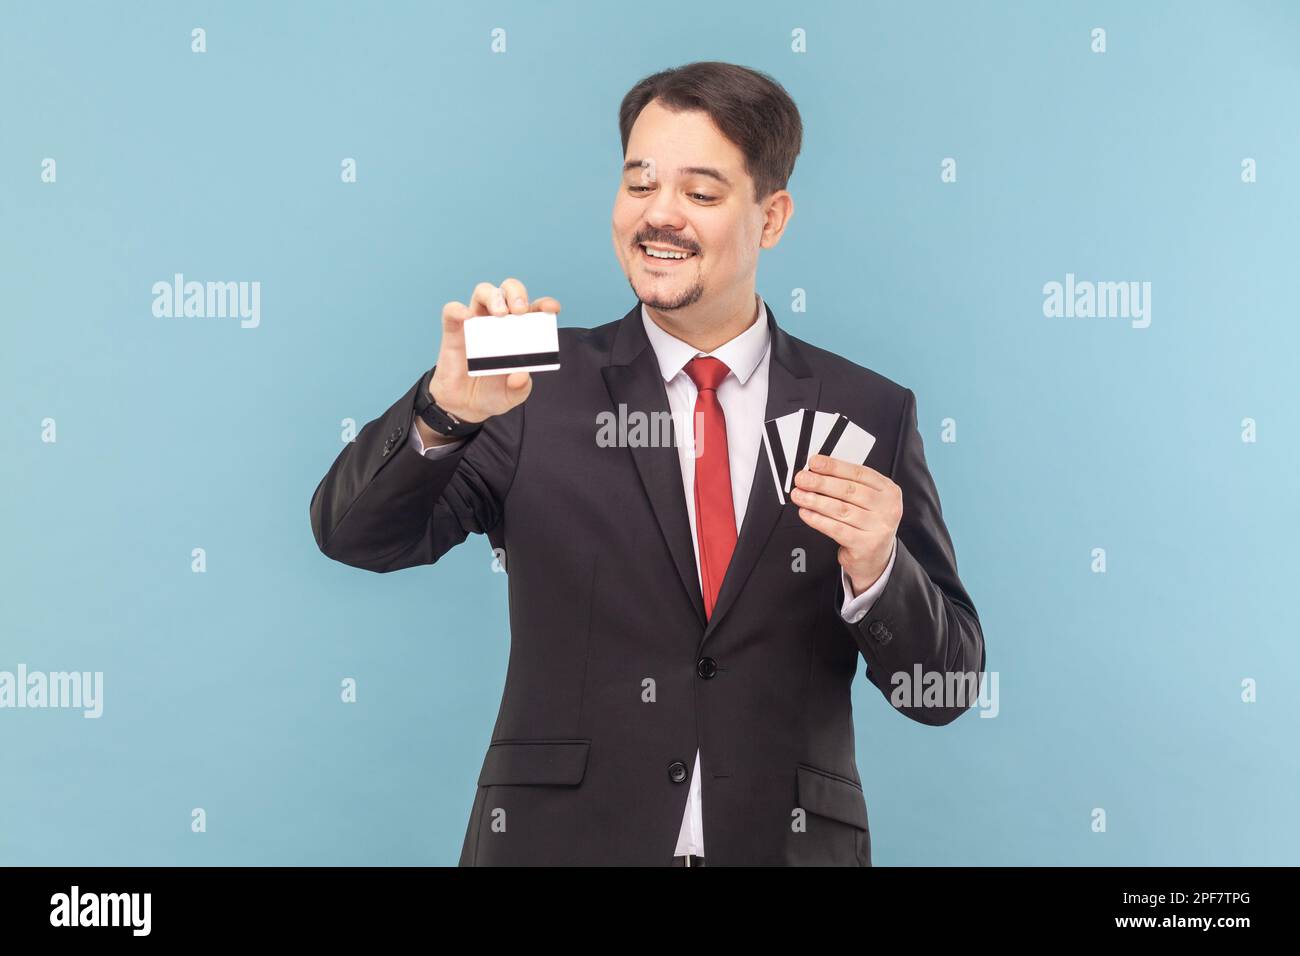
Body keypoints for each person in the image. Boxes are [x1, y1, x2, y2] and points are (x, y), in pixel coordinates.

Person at [310, 61, 984, 866]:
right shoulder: (525, 386)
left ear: (771, 218)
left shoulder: (868, 409)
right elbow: (356, 538)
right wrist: (445, 410)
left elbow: (942, 689)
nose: (659, 216)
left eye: (701, 194)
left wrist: (878, 566)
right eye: (639, 184)